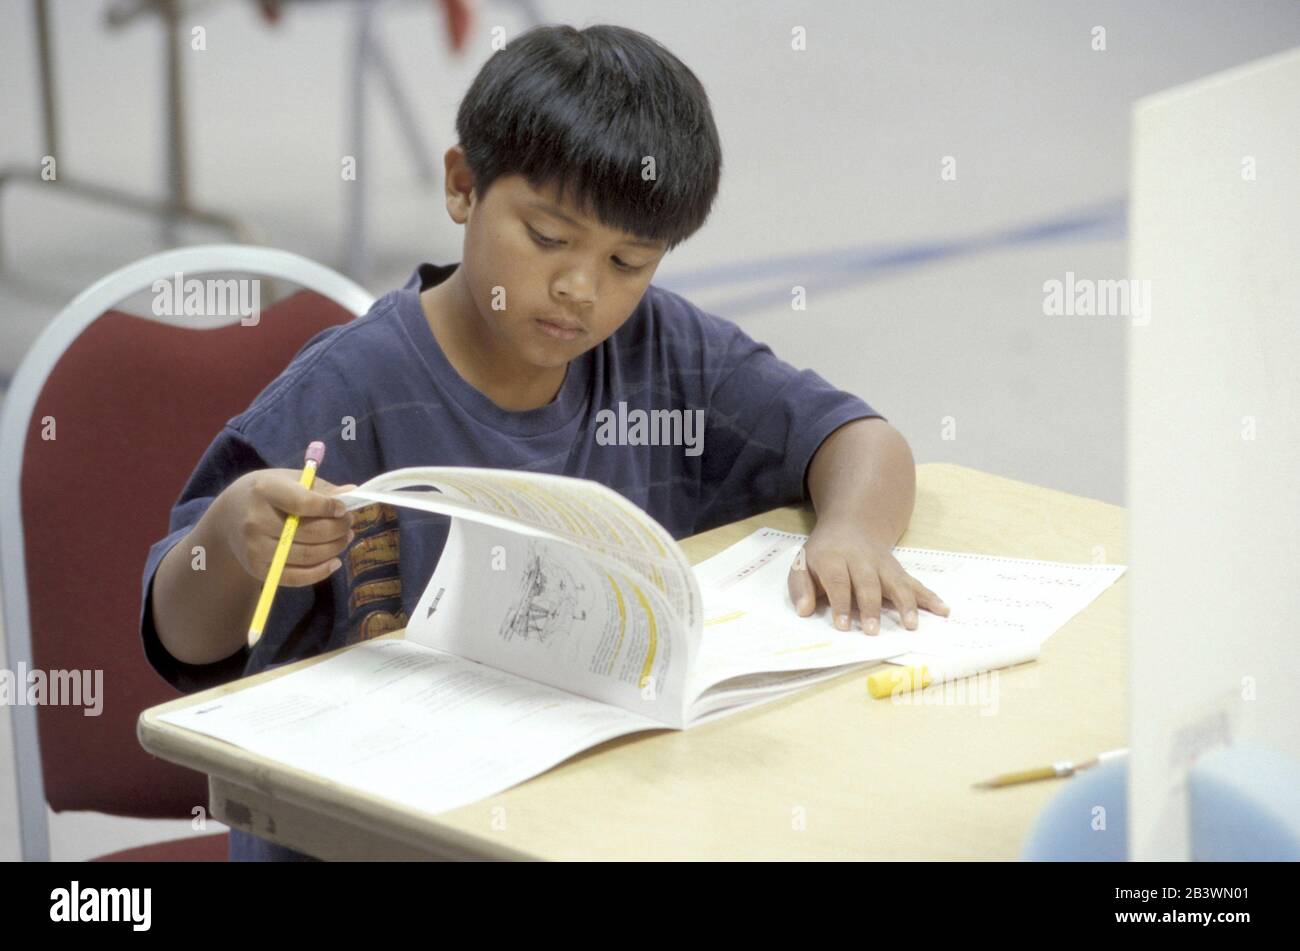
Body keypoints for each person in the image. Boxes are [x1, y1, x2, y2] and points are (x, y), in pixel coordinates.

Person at [140, 24, 947, 862]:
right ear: (463, 186)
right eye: (548, 238)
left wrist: (852, 532)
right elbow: (180, 639)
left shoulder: (663, 351)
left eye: (628, 262)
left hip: (589, 818)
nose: (580, 287)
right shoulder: (346, 391)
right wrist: (227, 539)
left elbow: (860, 439)